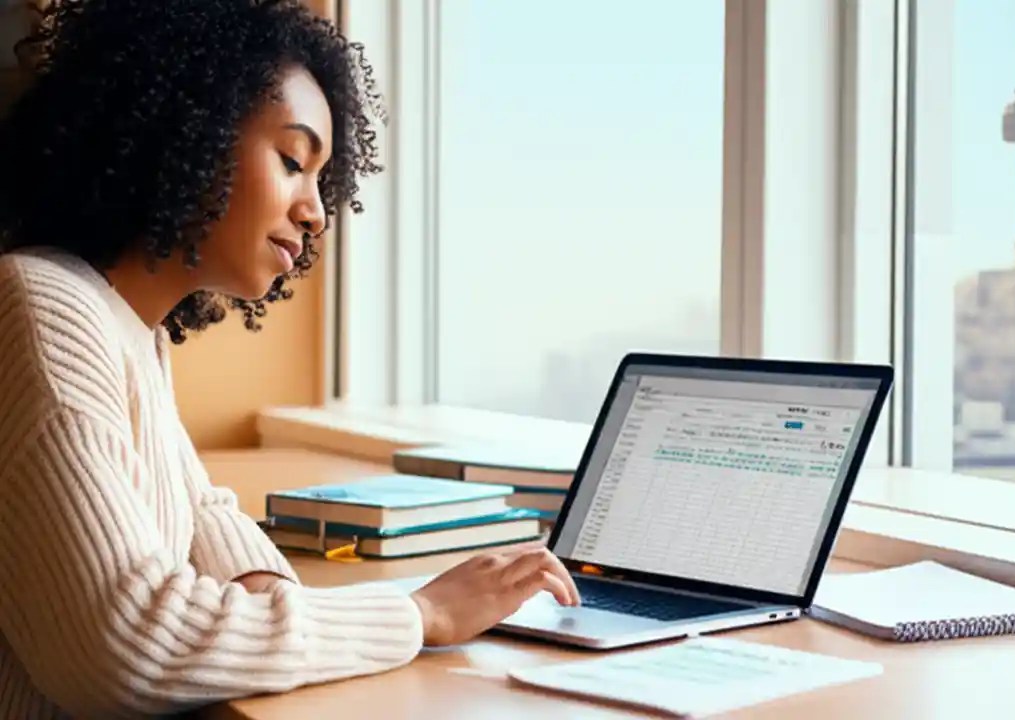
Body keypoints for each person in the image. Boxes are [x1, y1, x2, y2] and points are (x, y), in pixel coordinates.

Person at [0, 1, 580, 716]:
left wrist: (264, 588)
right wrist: (420, 615)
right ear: (189, 131)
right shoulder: (43, 305)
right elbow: (132, 643)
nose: (317, 213)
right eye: (292, 161)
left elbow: (197, 512)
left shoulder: (128, 329)